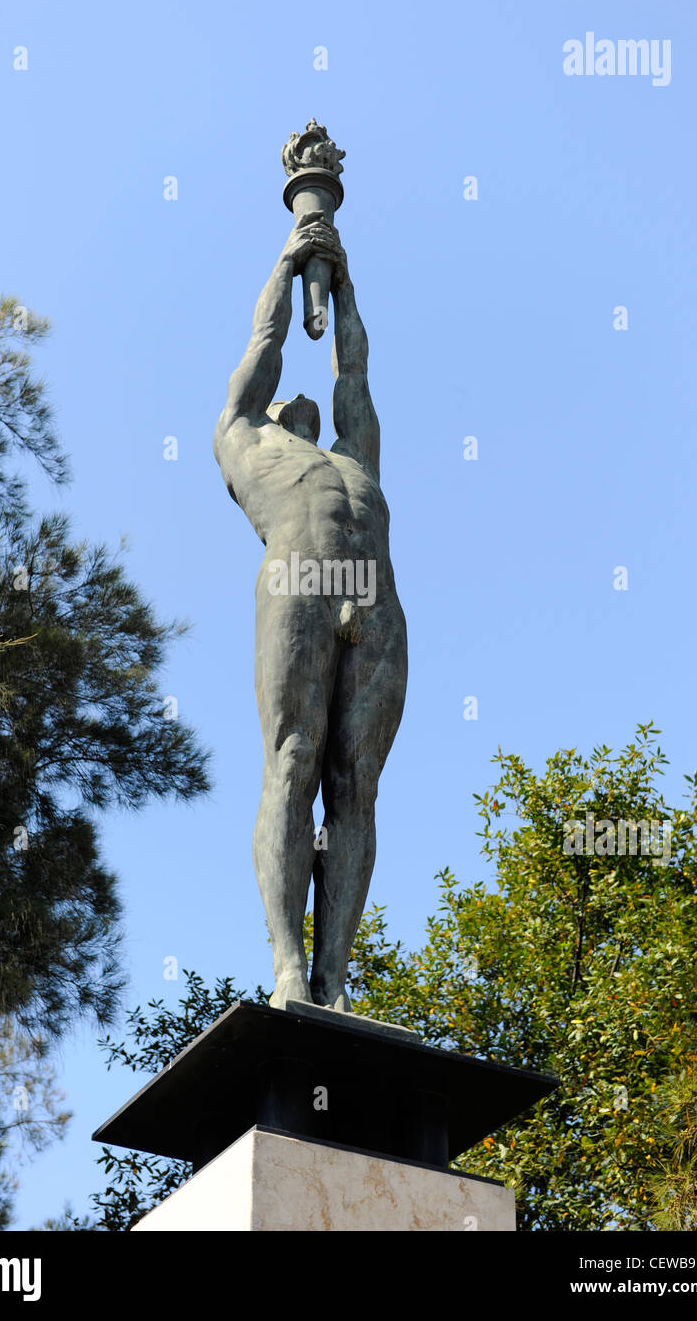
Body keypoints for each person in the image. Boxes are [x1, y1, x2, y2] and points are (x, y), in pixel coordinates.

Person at [214, 214, 407, 1012]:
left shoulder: (351, 457)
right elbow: (264, 346)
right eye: (278, 395)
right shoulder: (242, 435)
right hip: (294, 579)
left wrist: (346, 278)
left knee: (354, 785)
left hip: (376, 597)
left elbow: (353, 367)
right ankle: (287, 965)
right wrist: (290, 263)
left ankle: (332, 980)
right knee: (293, 761)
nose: (296, 397)